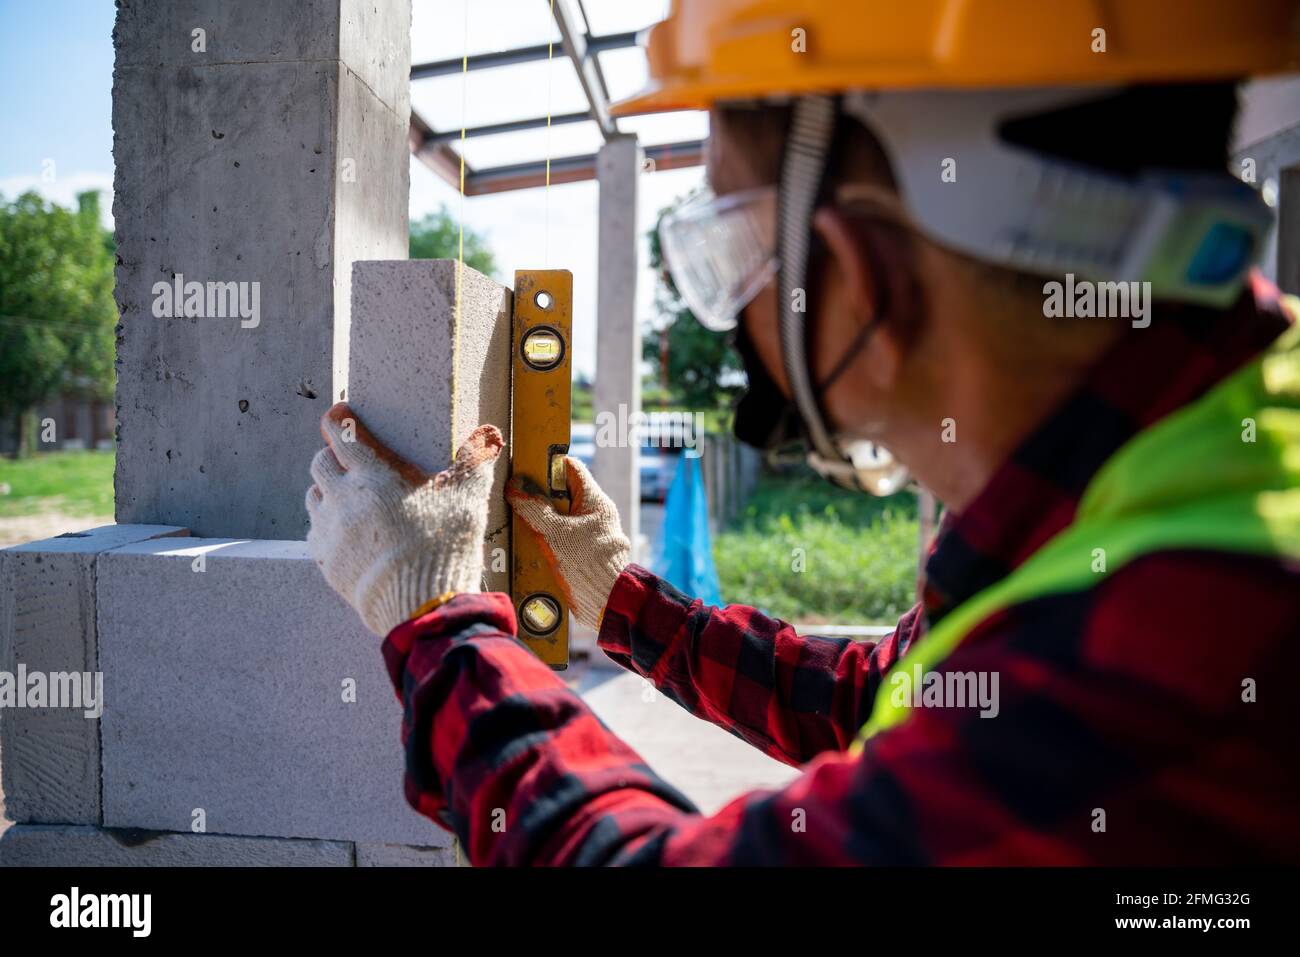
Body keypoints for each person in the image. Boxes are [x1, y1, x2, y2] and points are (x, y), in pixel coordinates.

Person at [304, 1, 1300, 864]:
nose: (732, 310)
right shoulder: (1183, 464)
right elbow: (893, 706)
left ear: (853, 271)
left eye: (730, 250)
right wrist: (625, 602)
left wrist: (436, 623)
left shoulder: (1174, 634)